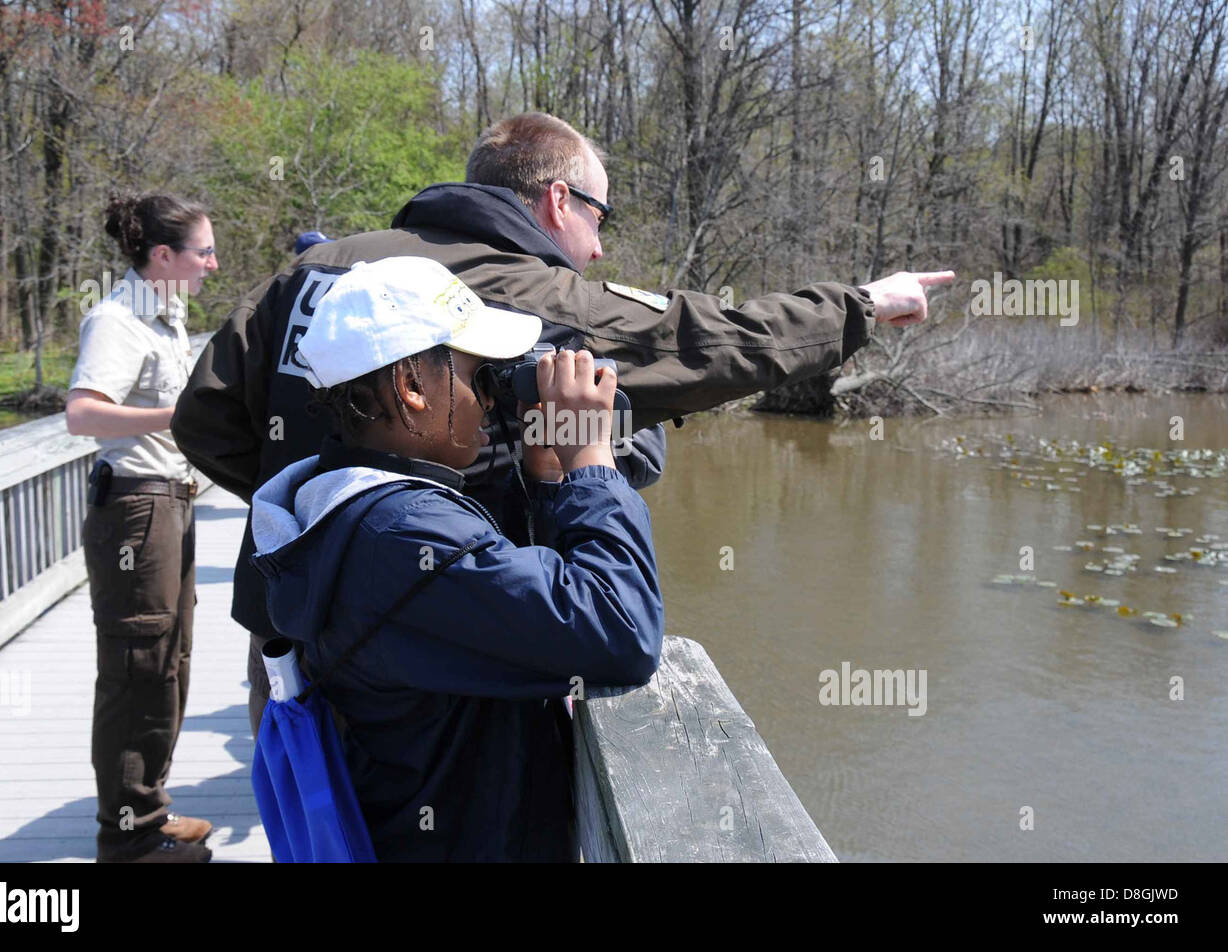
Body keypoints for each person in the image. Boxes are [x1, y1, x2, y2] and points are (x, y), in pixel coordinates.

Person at [172, 111, 951, 736]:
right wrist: (864, 304)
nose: (601, 243)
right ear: (557, 201)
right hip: (446, 674)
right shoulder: (532, 291)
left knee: (318, 828)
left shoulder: (312, 271)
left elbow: (204, 418)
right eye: (599, 216)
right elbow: (714, 339)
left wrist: (327, 518)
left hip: (288, 652)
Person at [249, 256, 663, 861]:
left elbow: (526, 616)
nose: (493, 400)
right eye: (480, 375)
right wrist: (594, 464)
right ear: (414, 388)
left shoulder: (349, 508)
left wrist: (549, 476)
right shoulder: (403, 535)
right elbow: (619, 633)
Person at [65, 191, 219, 863]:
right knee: (137, 668)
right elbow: (83, 415)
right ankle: (126, 841)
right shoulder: (118, 321)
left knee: (167, 665)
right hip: (136, 510)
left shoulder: (164, 319)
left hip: (168, 504)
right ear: (163, 256)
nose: (213, 264)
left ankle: (148, 810)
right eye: (203, 252)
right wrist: (177, 419)